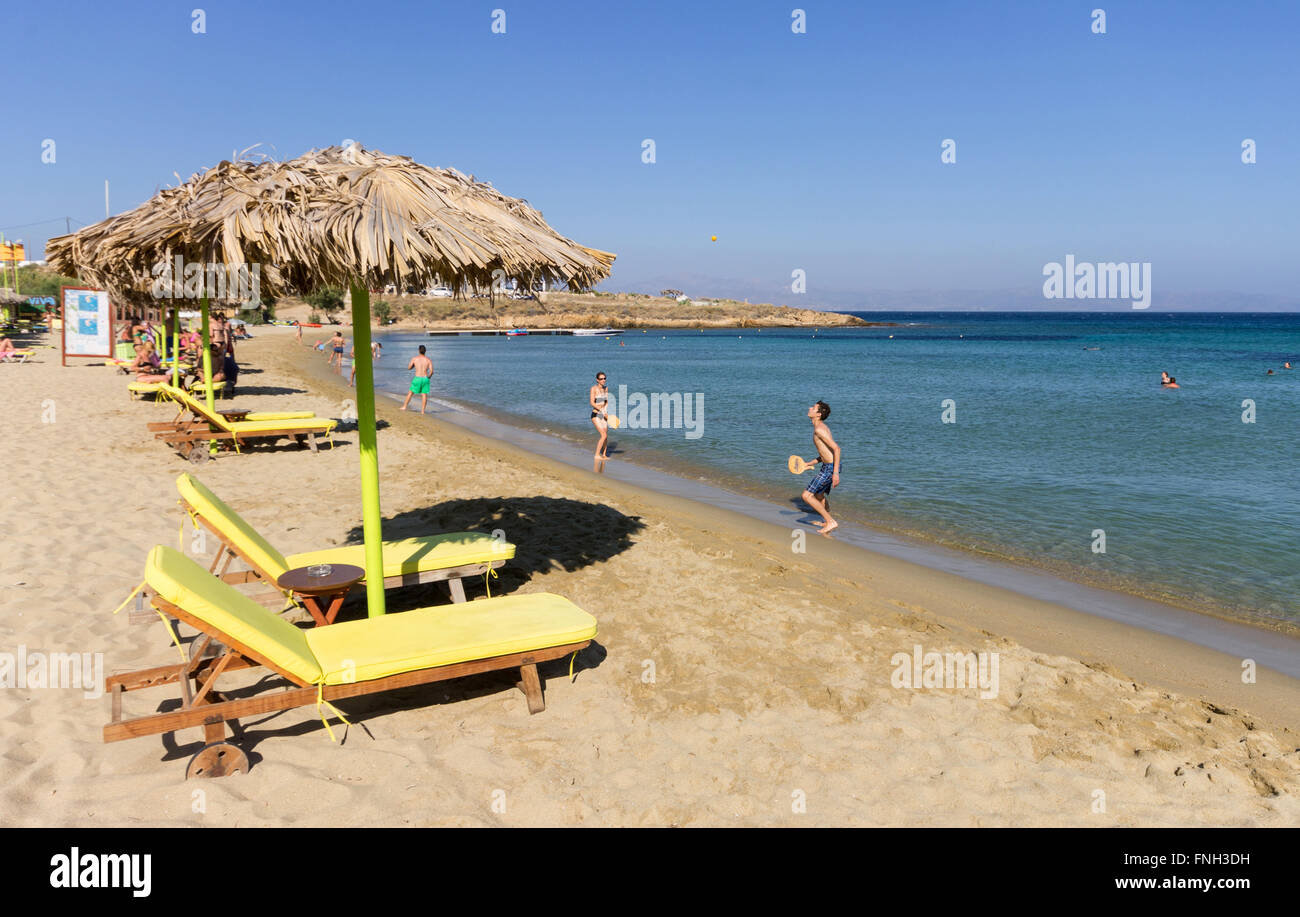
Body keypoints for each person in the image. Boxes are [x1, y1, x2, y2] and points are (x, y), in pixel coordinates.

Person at [799, 400, 841, 534]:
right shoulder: (821, 427)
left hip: (830, 468)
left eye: (813, 408)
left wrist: (835, 474)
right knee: (819, 495)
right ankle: (826, 520)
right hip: (828, 465)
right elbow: (825, 453)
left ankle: (831, 521)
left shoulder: (819, 430)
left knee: (806, 496)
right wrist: (809, 464)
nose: (809, 408)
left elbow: (836, 449)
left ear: (818, 414)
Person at [402, 344, 434, 413]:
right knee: (424, 394)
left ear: (419, 351)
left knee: (410, 392)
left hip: (417, 378)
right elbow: (431, 371)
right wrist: (429, 377)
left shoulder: (414, 358)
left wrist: (414, 365)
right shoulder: (428, 360)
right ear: (425, 351)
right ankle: (422, 411)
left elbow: (409, 368)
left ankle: (404, 406)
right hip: (425, 378)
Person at [589, 371, 611, 459]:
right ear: (597, 380)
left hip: (603, 414)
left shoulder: (606, 388)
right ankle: (597, 455)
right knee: (603, 435)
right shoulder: (593, 388)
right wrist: (601, 410)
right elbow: (592, 403)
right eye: (601, 379)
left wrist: (606, 413)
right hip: (596, 414)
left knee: (605, 435)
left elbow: (606, 402)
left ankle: (604, 455)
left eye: (604, 378)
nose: (603, 380)